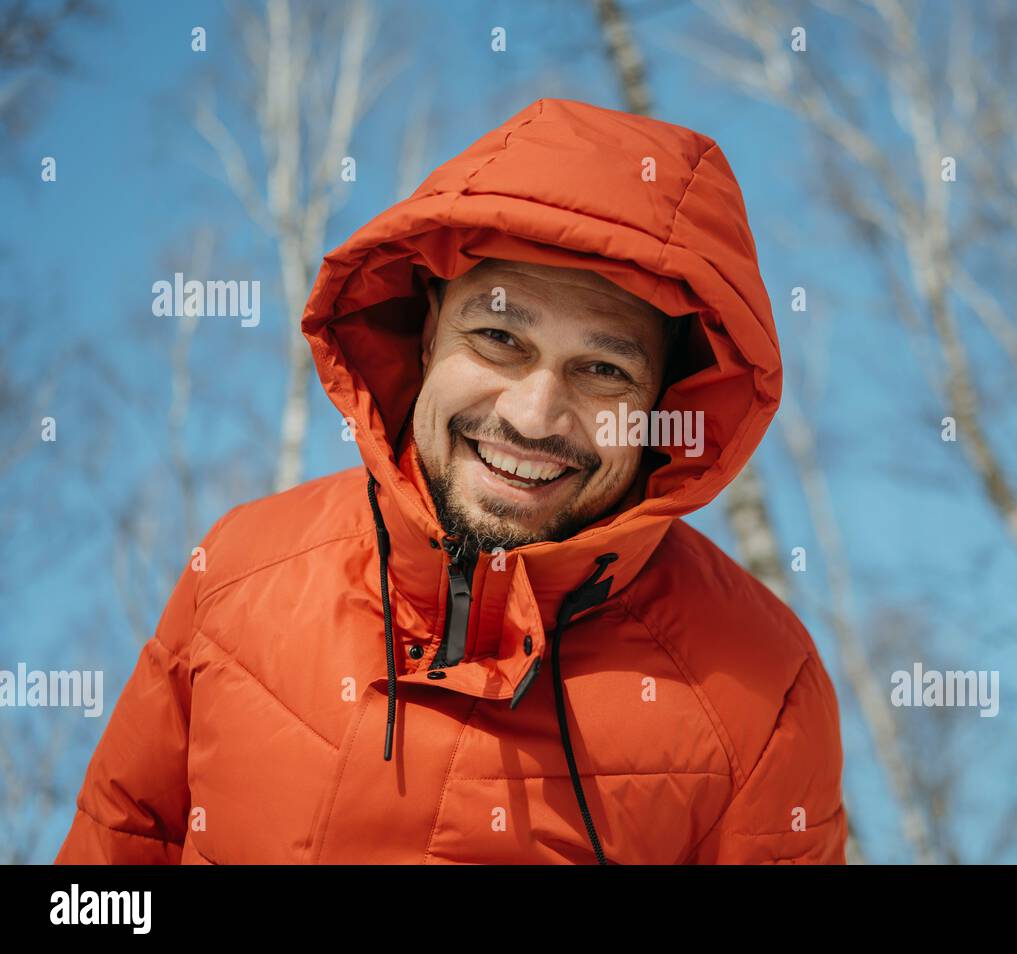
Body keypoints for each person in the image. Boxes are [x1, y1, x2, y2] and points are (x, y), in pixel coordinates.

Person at [55, 97, 848, 864]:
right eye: (500, 337)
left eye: (603, 369)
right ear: (431, 329)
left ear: (664, 403)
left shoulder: (759, 688)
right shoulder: (240, 570)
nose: (536, 415)